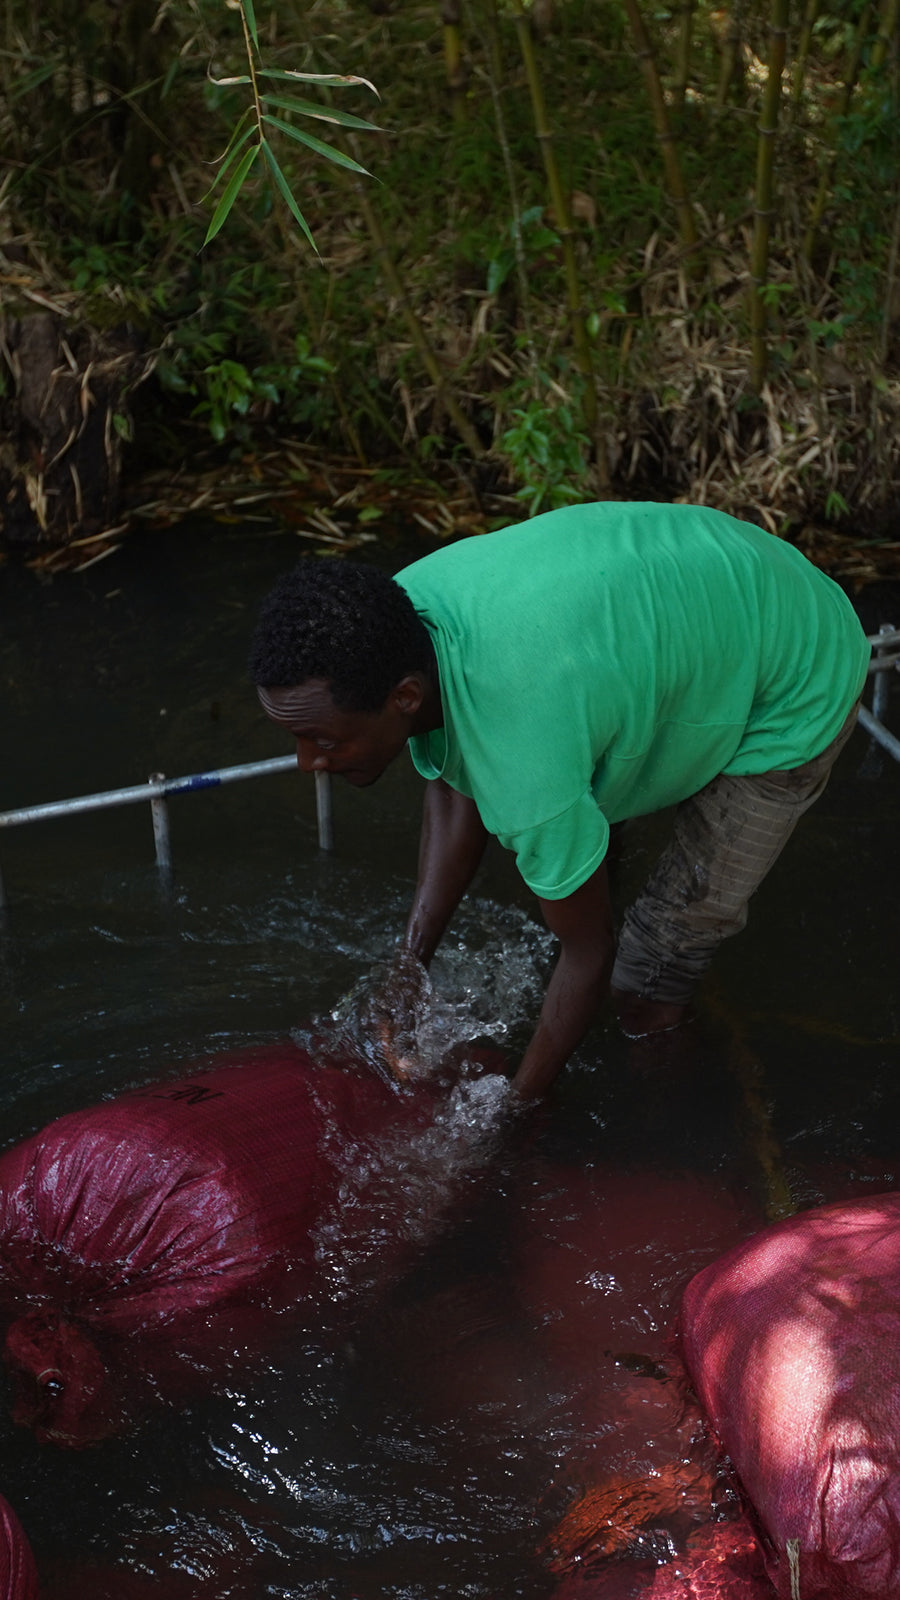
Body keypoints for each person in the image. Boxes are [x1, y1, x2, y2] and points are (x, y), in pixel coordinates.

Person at [249, 501, 870, 1100]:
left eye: (322, 741)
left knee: (645, 980)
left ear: (405, 697)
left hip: (797, 671)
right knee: (560, 867)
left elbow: (588, 951)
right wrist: (408, 969)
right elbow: (455, 773)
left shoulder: (524, 763)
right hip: (712, 577)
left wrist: (517, 1113)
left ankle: (676, 1114)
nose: (309, 765)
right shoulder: (394, 617)